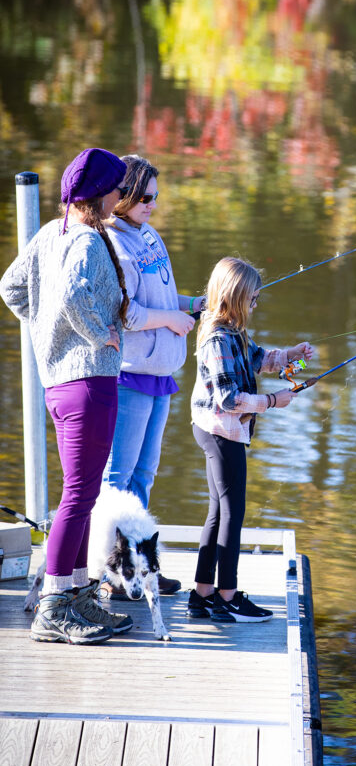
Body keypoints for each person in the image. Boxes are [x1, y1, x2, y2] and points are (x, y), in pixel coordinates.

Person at [0, 147, 134, 644]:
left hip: (59, 384)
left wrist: (45, 330)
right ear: (98, 195)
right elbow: (75, 295)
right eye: (117, 189)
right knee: (79, 495)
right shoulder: (88, 241)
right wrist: (100, 334)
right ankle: (53, 607)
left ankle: (77, 595)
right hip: (88, 383)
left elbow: (11, 289)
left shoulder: (47, 235)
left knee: (83, 493)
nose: (121, 196)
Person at [187, 256, 314, 623]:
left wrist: (293, 356)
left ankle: (202, 595)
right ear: (236, 297)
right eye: (253, 298)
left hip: (219, 430)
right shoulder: (217, 339)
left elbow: (259, 359)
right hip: (221, 432)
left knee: (218, 512)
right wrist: (272, 401)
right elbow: (229, 400)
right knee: (232, 513)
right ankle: (227, 597)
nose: (256, 304)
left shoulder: (233, 331)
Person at [100, 154, 203, 595]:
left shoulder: (149, 235)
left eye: (155, 197)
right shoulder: (114, 244)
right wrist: (171, 320)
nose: (152, 205)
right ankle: (108, 572)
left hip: (161, 376)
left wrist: (192, 305)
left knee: (144, 476)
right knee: (118, 480)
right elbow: (128, 314)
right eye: (144, 198)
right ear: (122, 196)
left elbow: (161, 299)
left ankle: (140, 567)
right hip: (131, 376)